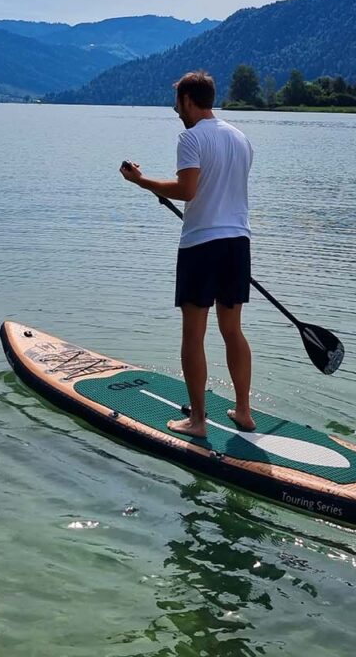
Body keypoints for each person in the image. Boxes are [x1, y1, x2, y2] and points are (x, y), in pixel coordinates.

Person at [120, 70, 256, 437]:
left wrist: (140, 181)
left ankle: (197, 421)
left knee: (193, 335)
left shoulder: (191, 137)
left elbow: (187, 190)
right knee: (233, 330)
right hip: (238, 242)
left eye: (177, 103)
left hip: (201, 244)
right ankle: (244, 412)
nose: (176, 110)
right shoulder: (240, 137)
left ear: (188, 100)